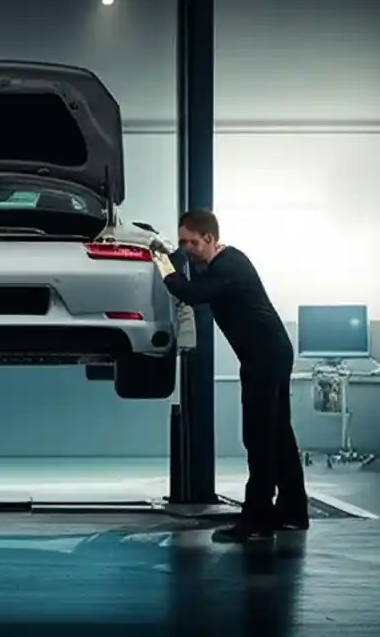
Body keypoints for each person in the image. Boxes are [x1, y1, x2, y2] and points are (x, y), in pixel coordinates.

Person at [152, 208, 309, 543]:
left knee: (260, 437)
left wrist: (162, 261)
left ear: (211, 239)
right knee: (278, 434)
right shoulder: (220, 265)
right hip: (269, 353)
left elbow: (190, 294)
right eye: (182, 242)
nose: (187, 248)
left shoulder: (229, 264)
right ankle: (293, 512)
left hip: (264, 357)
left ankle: (257, 521)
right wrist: (175, 258)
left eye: (192, 242)